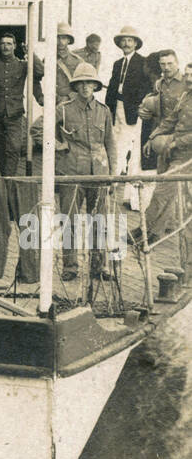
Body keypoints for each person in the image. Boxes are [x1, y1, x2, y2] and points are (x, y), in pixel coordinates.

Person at [55, 64, 116, 280]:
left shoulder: (104, 111)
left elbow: (110, 143)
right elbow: (37, 130)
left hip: (99, 173)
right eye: (81, 83)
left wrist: (112, 176)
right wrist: (59, 145)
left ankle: (99, 267)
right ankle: (70, 267)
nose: (85, 87)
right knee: (69, 219)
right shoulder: (64, 109)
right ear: (76, 86)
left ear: (95, 85)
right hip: (72, 173)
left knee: (100, 221)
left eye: (89, 82)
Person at [132, 62, 192, 250]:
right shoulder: (185, 96)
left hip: (187, 155)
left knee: (162, 191)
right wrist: (152, 137)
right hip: (173, 151)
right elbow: (170, 120)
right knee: (167, 191)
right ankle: (153, 233)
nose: (188, 79)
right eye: (187, 75)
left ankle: (144, 230)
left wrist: (176, 143)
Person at [104, 24, 151, 209]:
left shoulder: (142, 62)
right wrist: (108, 110)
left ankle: (131, 196)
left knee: (134, 151)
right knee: (116, 146)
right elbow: (113, 88)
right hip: (118, 110)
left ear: (135, 43)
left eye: (129, 40)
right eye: (123, 40)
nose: (126, 43)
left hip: (134, 112)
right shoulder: (117, 64)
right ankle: (113, 183)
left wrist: (140, 106)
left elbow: (146, 88)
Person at [0, 33, 29, 176]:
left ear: (15, 46)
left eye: (9, 43)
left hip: (14, 113)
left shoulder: (22, 66)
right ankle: (5, 177)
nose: (6, 47)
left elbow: (40, 70)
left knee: (14, 147)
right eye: (3, 43)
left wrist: (30, 52)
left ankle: (9, 178)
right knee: (0, 148)